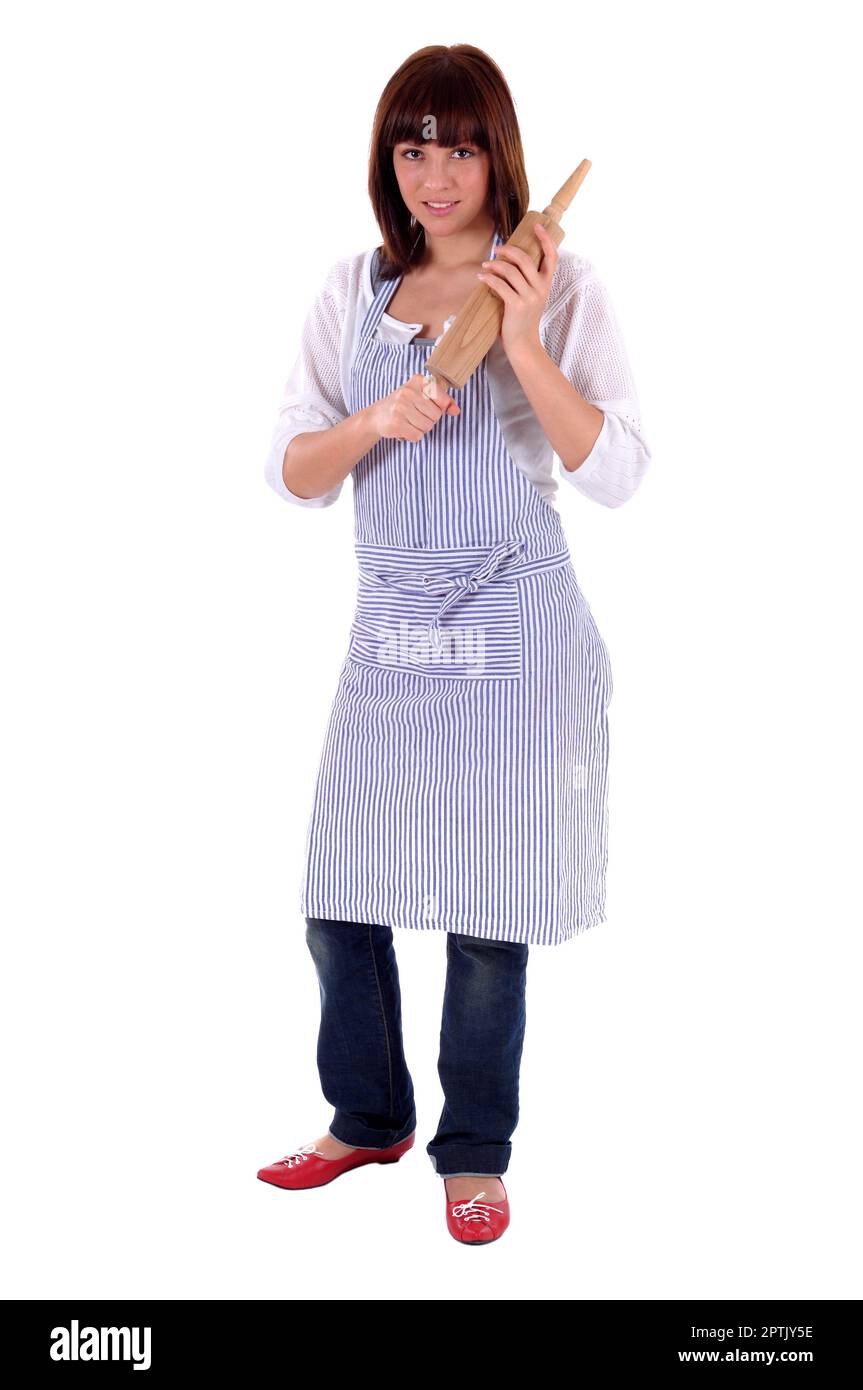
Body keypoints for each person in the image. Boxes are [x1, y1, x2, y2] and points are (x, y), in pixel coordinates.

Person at [257, 44, 651, 1245]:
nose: (435, 175)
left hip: (511, 623)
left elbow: (620, 472)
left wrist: (523, 341)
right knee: (340, 891)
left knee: (488, 907)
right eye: (411, 148)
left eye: (460, 147)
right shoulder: (350, 291)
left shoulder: (557, 283)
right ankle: (366, 1113)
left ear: (499, 156)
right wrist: (375, 417)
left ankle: (471, 1149)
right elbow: (290, 471)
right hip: (391, 626)